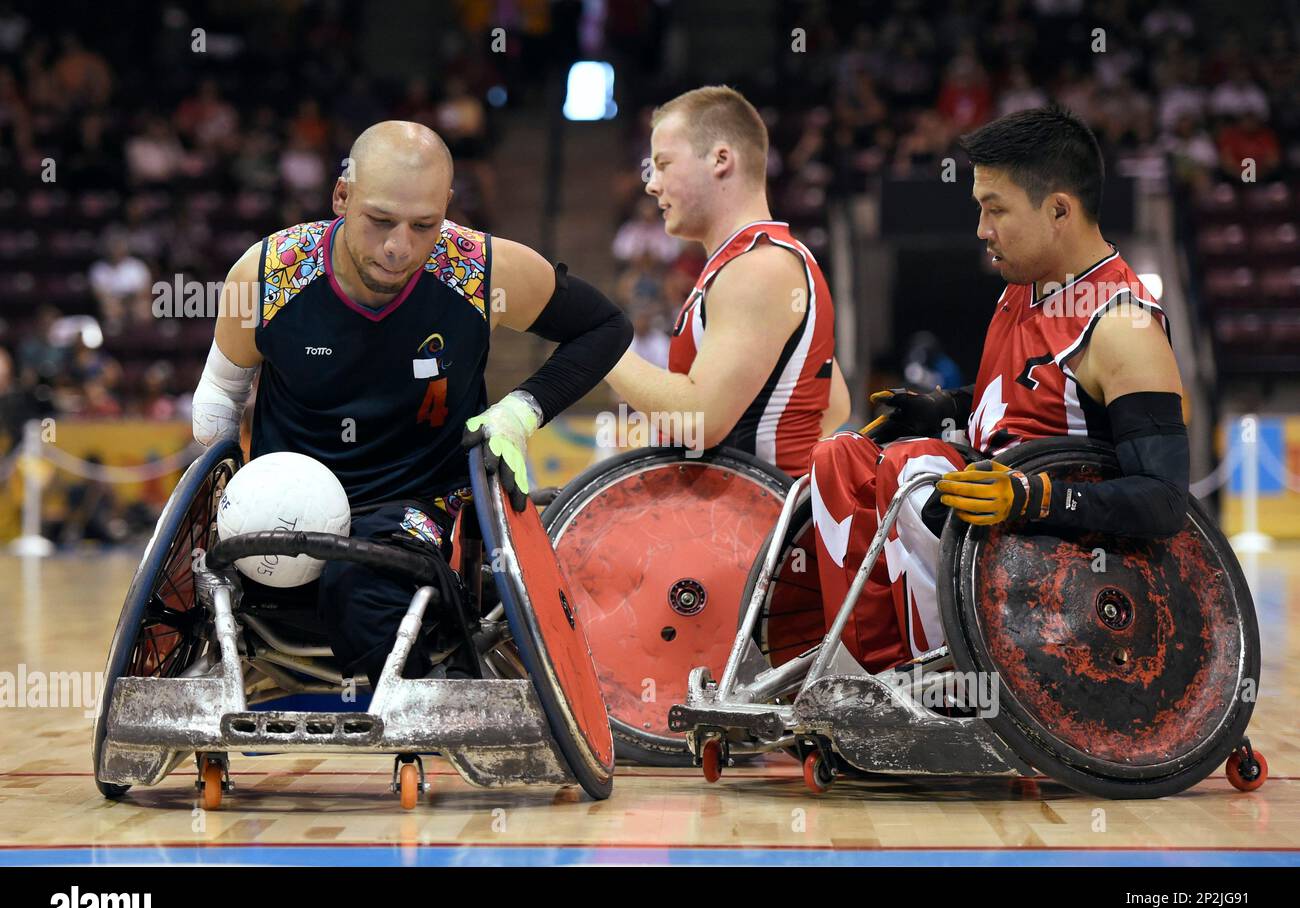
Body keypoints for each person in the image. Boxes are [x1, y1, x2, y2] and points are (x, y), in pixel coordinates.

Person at [192, 120, 631, 689]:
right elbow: (218, 400)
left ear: (447, 208)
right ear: (341, 197)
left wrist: (521, 410)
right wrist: (215, 503)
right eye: (380, 221)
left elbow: (604, 326)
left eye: (424, 225)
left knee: (360, 585)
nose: (399, 246)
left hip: (416, 512)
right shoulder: (268, 273)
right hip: (284, 511)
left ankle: (435, 700)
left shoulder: (478, 270)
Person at [811, 106, 1188, 673]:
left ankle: (944, 685)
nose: (982, 230)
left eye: (996, 210)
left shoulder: (1122, 328)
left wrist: (1032, 496)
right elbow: (1021, 400)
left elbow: (1164, 501)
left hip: (1063, 560)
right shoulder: (1026, 288)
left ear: (1059, 209)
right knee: (839, 457)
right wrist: (942, 408)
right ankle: (867, 671)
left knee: (915, 469)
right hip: (990, 532)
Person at [605, 85, 849, 477]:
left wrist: (598, 347)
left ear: (720, 159)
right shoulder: (763, 258)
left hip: (757, 530)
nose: (651, 184)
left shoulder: (758, 268)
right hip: (760, 521)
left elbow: (700, 422)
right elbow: (833, 402)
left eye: (663, 164)